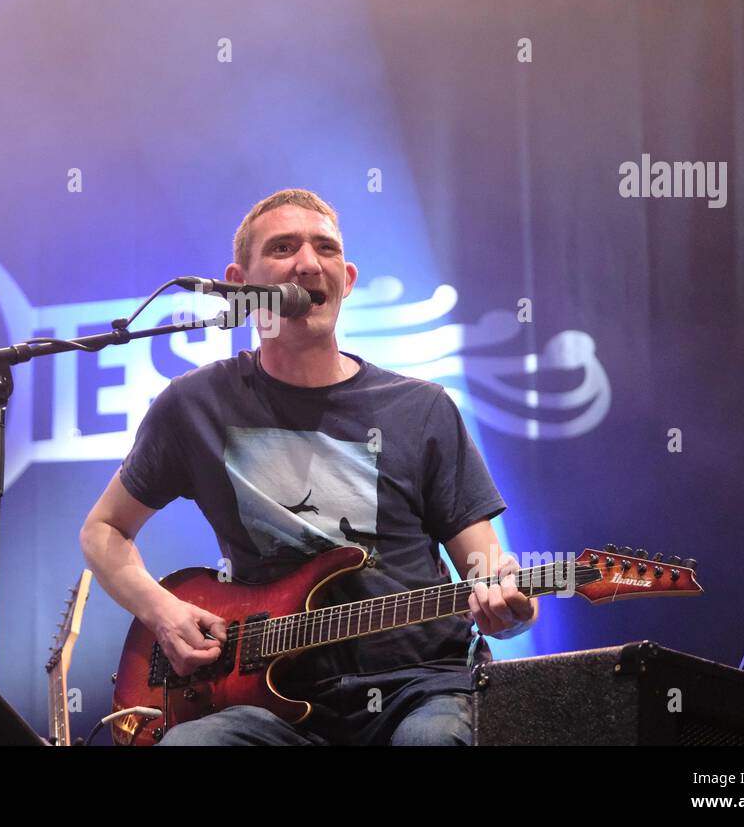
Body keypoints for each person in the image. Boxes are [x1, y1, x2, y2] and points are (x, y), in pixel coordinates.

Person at [79, 189, 537, 745]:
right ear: (239, 282)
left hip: (420, 686)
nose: (308, 263)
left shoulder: (421, 408)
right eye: (283, 248)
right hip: (271, 704)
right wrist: (163, 612)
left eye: (325, 248)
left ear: (347, 279)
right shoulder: (195, 406)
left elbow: (486, 568)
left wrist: (508, 604)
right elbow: (104, 529)